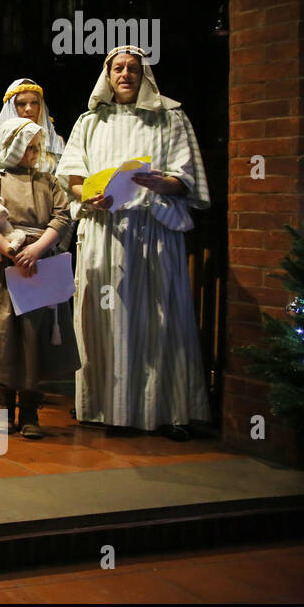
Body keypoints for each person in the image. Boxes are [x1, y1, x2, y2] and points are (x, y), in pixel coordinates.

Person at [55, 45, 210, 441]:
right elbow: (71, 174)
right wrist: (85, 194)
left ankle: (171, 410)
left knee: (162, 319)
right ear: (106, 76)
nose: (125, 75)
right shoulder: (91, 121)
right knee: (104, 320)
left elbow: (185, 176)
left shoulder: (170, 118)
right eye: (117, 69)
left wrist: (165, 182)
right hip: (105, 232)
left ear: (145, 75)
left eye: (133, 69)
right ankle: (108, 407)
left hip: (153, 231)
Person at [0, 118, 79, 438]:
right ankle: (4, 411)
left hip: (38, 266)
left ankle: (30, 412)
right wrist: (13, 252)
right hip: (6, 270)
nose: (33, 154)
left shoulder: (48, 181)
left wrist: (38, 249)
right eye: (27, 147)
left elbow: (62, 217)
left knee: (35, 336)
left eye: (36, 148)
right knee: (5, 336)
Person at [0, 78, 66, 399]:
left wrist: (49, 242)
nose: (29, 109)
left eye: (34, 103)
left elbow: (60, 201)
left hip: (40, 244)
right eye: (22, 104)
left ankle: (34, 376)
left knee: (36, 315)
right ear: (11, 107)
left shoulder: (53, 141)